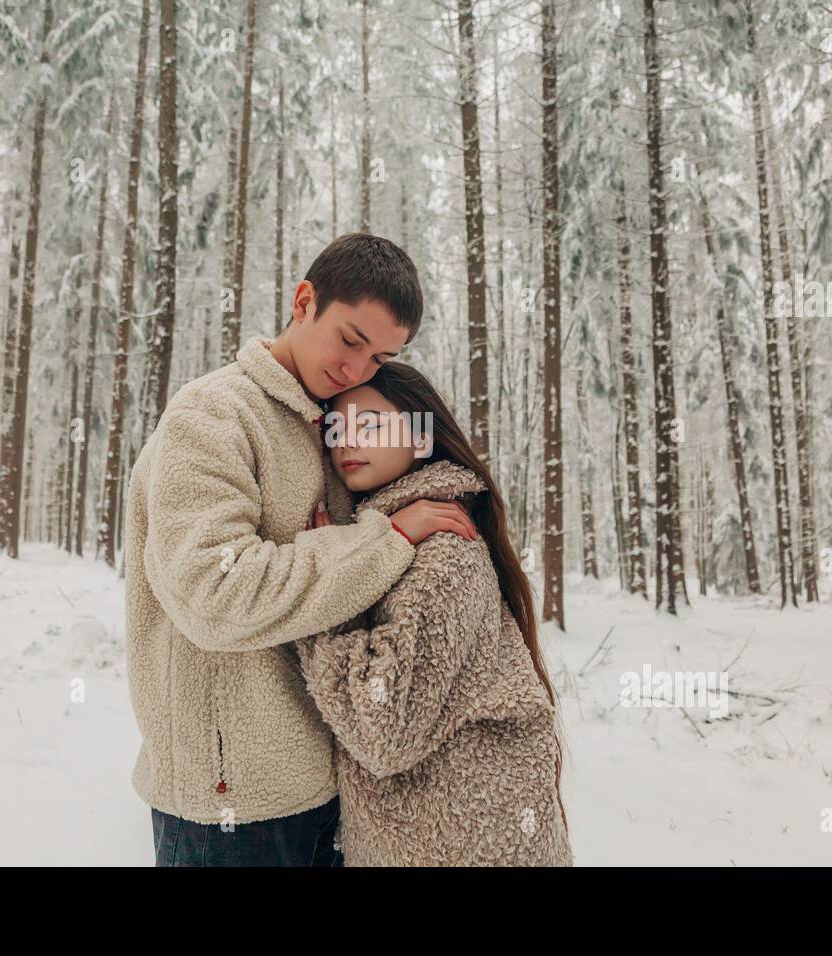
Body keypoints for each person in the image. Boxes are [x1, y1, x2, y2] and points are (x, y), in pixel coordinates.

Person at [125, 234, 477, 866]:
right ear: (304, 300)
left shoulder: (335, 423)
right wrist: (385, 541)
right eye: (350, 339)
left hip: (332, 793)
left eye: (380, 357)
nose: (358, 368)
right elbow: (215, 595)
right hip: (230, 811)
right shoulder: (212, 416)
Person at [294, 360, 573, 866]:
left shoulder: (444, 553)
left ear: (421, 439)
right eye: (336, 427)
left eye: (371, 425)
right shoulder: (400, 535)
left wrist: (324, 596)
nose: (347, 441)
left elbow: (382, 728)